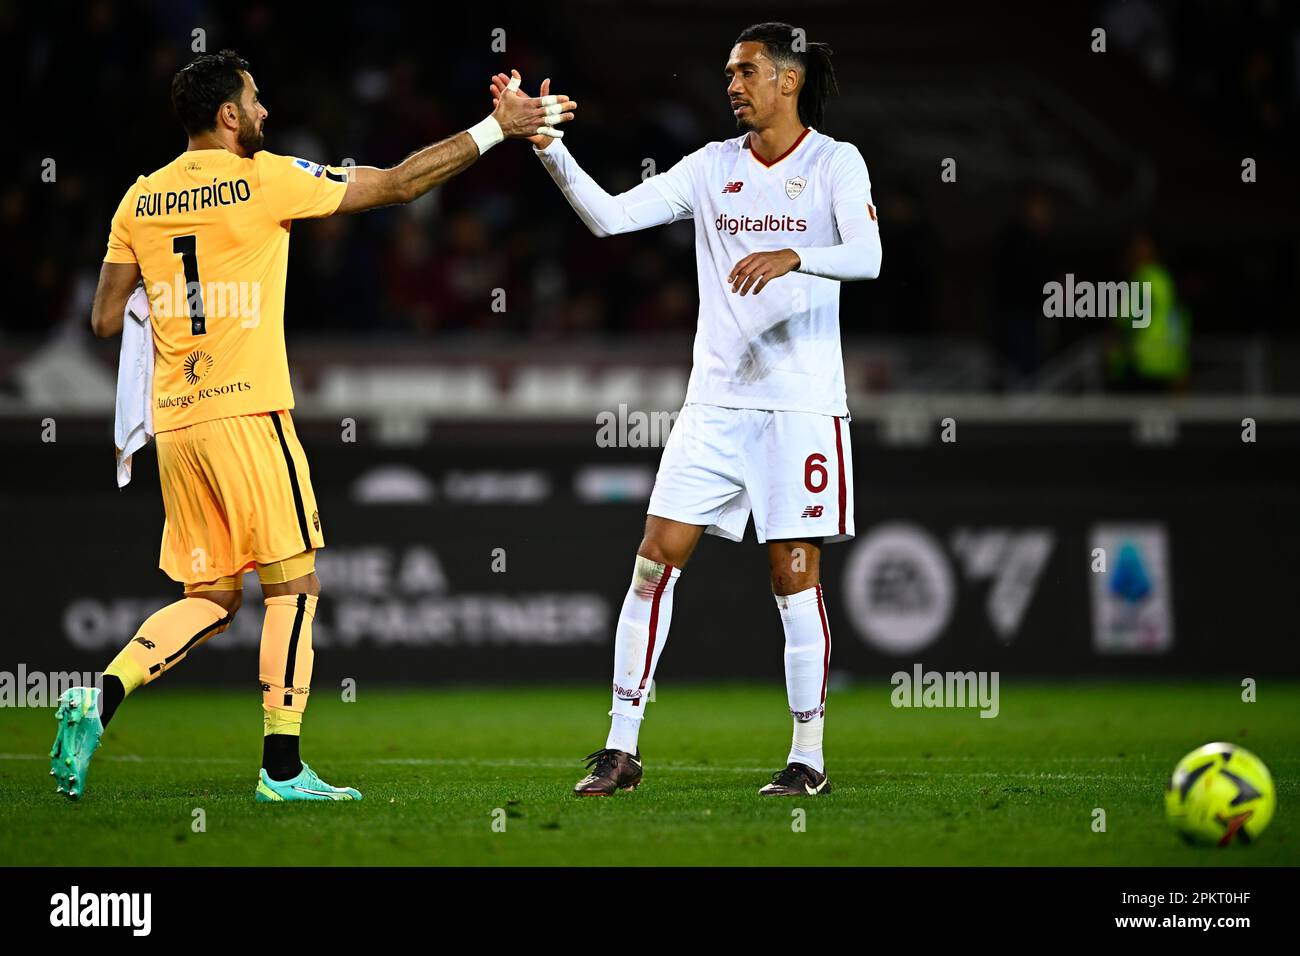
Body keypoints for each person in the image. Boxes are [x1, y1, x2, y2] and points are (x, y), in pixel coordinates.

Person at [50, 50, 574, 801]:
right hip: (247, 411)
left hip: (176, 425)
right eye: (255, 101)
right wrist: (496, 127)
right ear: (229, 115)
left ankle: (96, 697)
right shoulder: (266, 179)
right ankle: (283, 770)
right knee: (295, 586)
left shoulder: (139, 199)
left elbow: (105, 317)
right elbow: (400, 183)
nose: (265, 112)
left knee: (214, 596)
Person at [491, 20, 882, 797]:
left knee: (793, 575)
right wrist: (548, 149)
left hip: (801, 407)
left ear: (788, 80)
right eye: (729, 73)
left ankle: (808, 758)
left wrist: (795, 253)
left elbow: (868, 258)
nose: (731, 84)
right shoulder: (711, 168)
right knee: (651, 563)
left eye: (746, 71)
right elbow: (606, 216)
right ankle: (620, 747)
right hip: (714, 405)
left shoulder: (837, 163)